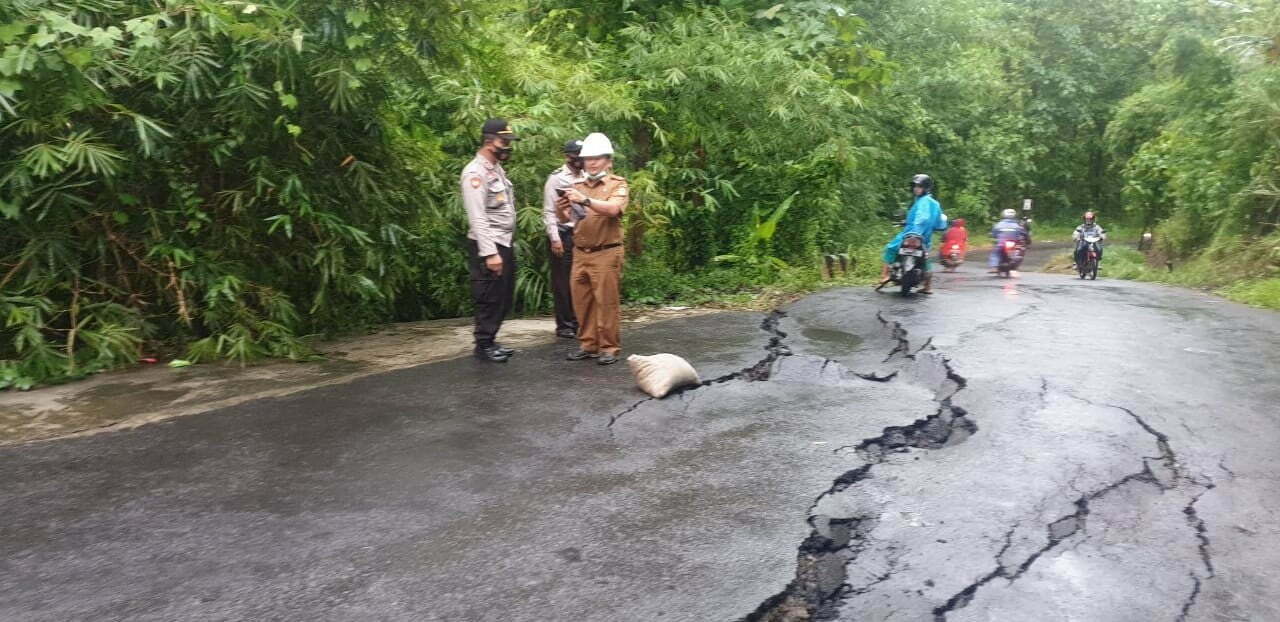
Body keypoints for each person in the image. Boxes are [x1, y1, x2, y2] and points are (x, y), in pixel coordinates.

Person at [564, 133, 629, 365]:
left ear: (608, 161)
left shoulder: (617, 184)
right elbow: (569, 218)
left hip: (606, 251)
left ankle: (609, 347)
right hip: (581, 251)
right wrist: (563, 209)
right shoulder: (576, 186)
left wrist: (585, 201)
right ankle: (588, 344)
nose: (591, 162)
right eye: (588, 158)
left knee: (606, 302)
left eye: (597, 158)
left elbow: (613, 209)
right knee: (581, 301)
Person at [460, 118, 520, 363]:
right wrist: (489, 253)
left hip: (503, 241)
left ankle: (491, 339)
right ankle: (483, 344)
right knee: (489, 296)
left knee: (503, 295)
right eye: (503, 141)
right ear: (488, 141)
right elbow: (477, 216)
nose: (507, 146)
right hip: (489, 244)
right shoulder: (475, 172)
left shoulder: (495, 169)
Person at [543, 139, 585, 339]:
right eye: (577, 154)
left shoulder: (587, 176)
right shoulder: (556, 179)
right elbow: (549, 211)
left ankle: (579, 321)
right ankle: (565, 325)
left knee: (579, 280)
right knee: (562, 283)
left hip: (582, 235)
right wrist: (554, 238)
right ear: (568, 156)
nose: (580, 158)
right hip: (563, 234)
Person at [881, 174, 948, 294]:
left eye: (919, 186)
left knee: (890, 248)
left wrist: (914, 231)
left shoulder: (923, 202)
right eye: (915, 186)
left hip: (910, 234)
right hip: (925, 238)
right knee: (926, 258)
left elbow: (922, 218)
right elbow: (940, 222)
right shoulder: (935, 204)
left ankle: (884, 276)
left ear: (926, 188)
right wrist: (937, 228)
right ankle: (927, 286)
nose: (916, 188)